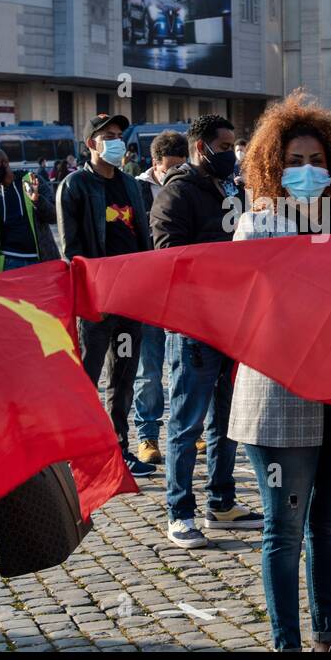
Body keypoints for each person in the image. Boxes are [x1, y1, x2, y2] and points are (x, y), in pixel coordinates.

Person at [230, 94, 331, 651]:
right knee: (283, 529)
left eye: (317, 160)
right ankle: (285, 642)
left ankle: (328, 638)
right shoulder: (254, 227)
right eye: (294, 161)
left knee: (330, 528)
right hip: (278, 395)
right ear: (273, 165)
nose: (307, 171)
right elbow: (249, 312)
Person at [151, 114, 263, 547]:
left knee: (227, 417)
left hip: (233, 321)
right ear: (201, 149)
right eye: (223, 147)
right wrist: (220, 262)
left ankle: (221, 502)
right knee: (186, 421)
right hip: (195, 324)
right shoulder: (176, 193)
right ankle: (179, 510)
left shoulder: (229, 188)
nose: (230, 155)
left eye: (234, 147)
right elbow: (166, 255)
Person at [58, 114, 154, 478]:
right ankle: (79, 451)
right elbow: (71, 251)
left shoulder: (131, 185)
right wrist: (91, 292)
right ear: (91, 144)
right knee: (88, 376)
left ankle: (119, 448)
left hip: (130, 298)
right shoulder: (75, 186)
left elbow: (143, 239)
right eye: (107, 136)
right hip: (96, 302)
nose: (116, 141)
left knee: (123, 376)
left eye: (119, 135)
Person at [131, 131, 189, 465]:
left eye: (182, 166)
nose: (175, 174)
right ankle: (147, 435)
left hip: (182, 292)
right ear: (155, 164)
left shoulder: (193, 187)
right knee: (149, 369)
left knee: (185, 367)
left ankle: (188, 431)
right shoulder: (136, 190)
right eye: (170, 167)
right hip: (149, 291)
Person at [0, 148, 58, 274]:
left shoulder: (33, 181)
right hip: (8, 264)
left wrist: (37, 200)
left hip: (40, 261)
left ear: (5, 162)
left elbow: (54, 217)